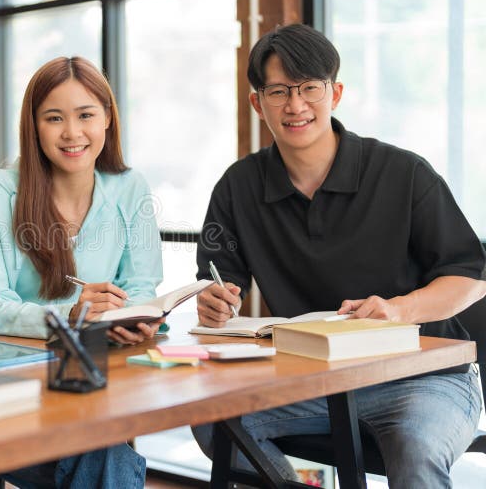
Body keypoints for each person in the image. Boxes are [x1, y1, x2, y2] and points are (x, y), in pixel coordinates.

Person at [192, 24, 486, 488]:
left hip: (424, 377)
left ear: (336, 93)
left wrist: (398, 310)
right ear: (257, 103)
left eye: (310, 87)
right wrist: (214, 303)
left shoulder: (403, 172)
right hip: (309, 380)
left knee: (416, 452)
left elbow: (470, 276)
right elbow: (218, 286)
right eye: (279, 91)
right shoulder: (238, 186)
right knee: (214, 420)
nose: (296, 105)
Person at [0, 56, 163, 487]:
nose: (72, 133)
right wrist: (70, 317)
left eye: (86, 115)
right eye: (54, 118)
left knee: (103, 452)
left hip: (100, 376)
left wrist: (128, 317)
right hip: (14, 385)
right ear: (33, 126)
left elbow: (141, 285)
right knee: (106, 458)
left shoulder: (130, 187)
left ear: (108, 118)